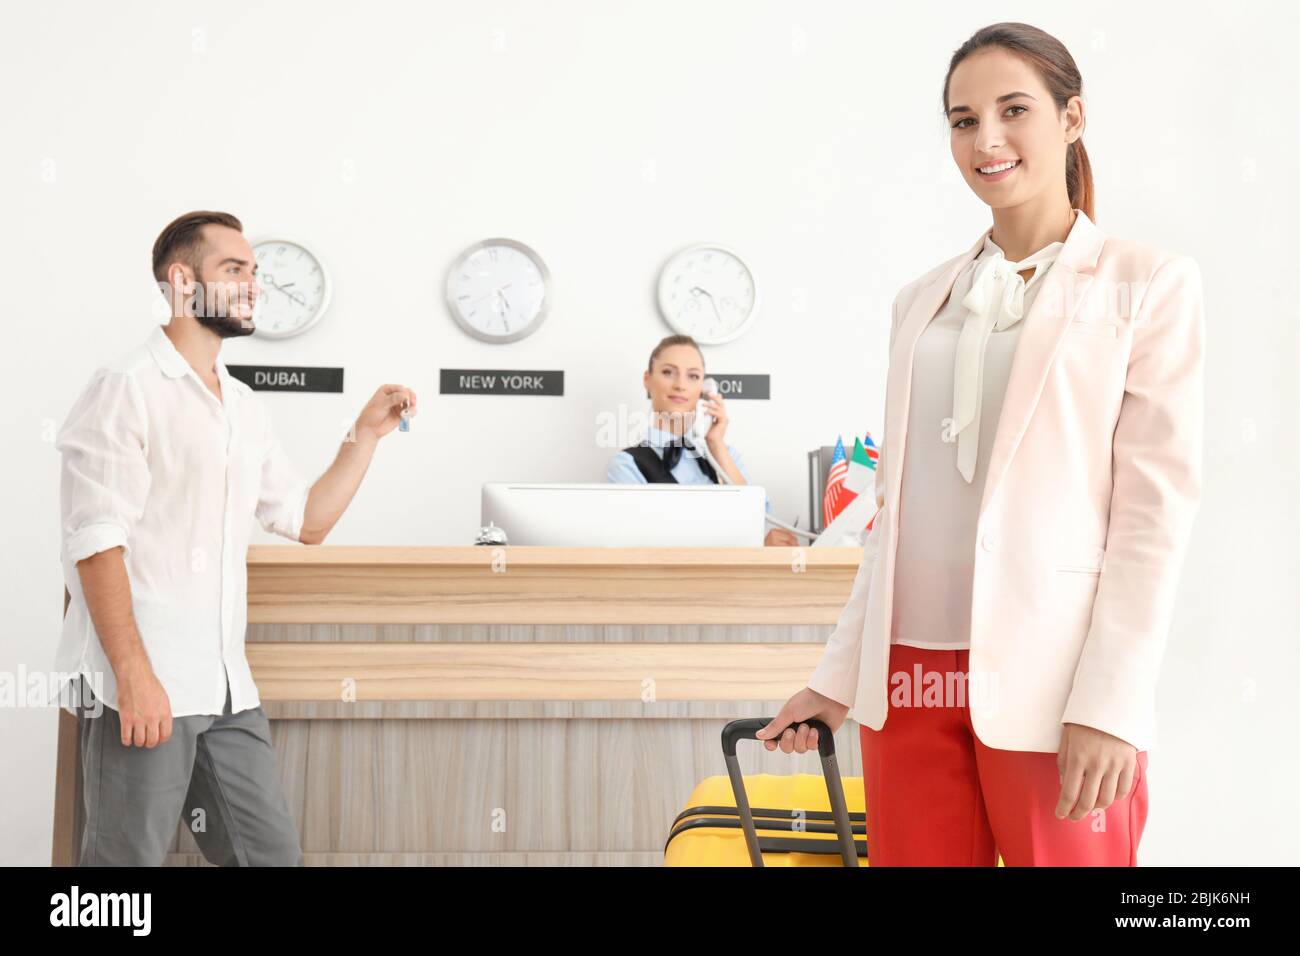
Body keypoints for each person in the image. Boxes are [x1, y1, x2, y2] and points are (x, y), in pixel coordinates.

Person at [757, 23, 1204, 866]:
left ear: (1072, 119)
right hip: (909, 682)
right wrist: (838, 679)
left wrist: (1110, 703)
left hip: (1053, 685)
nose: (986, 140)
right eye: (963, 120)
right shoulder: (920, 300)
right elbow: (896, 514)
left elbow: (1154, 516)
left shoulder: (1147, 285)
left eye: (1013, 111)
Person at [54, 210, 418, 865]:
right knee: (122, 867)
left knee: (270, 857)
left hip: (226, 689)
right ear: (181, 280)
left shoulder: (242, 406)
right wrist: (135, 676)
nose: (254, 284)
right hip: (146, 683)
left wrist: (362, 436)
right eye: (234, 269)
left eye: (255, 271)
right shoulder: (126, 388)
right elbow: (96, 542)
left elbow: (307, 520)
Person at [606, 334, 799, 546]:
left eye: (693, 376)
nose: (680, 385)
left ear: (704, 389)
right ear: (647, 379)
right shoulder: (627, 465)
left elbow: (762, 522)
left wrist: (716, 444)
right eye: (668, 372)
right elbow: (643, 541)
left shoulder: (725, 455)